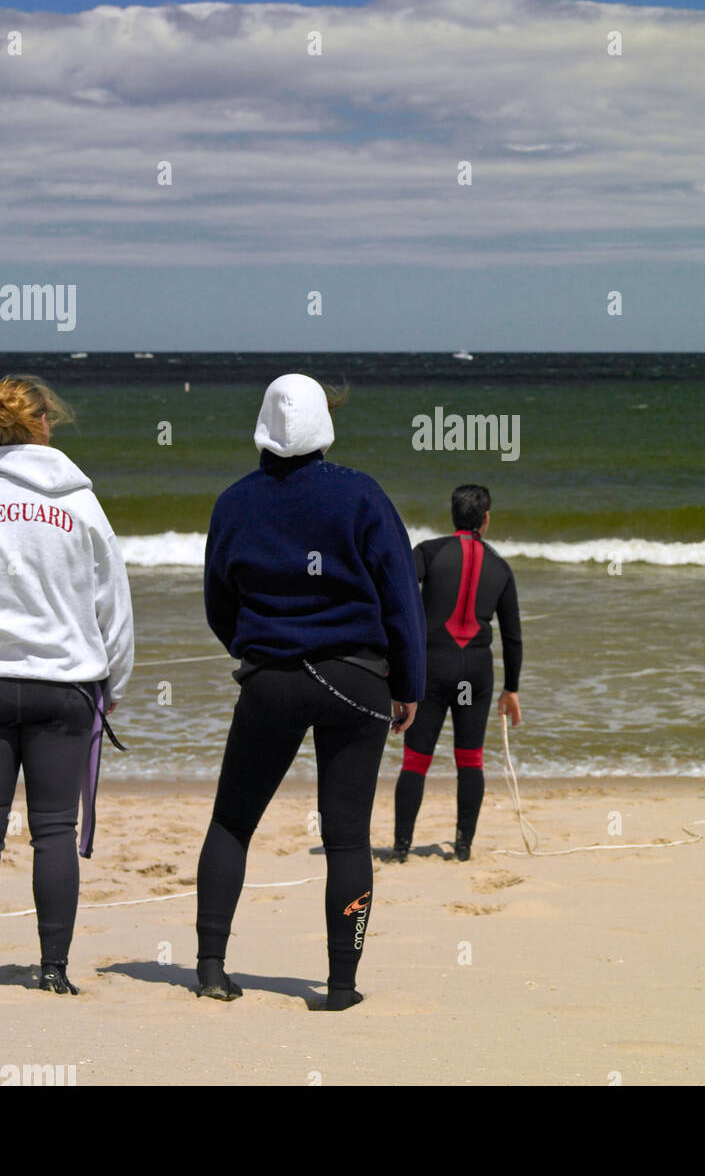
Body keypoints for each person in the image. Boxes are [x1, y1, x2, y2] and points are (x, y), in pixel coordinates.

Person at [196, 375, 425, 1010]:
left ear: (263, 427)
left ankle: (211, 968)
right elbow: (401, 597)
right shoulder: (362, 495)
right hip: (357, 681)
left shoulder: (234, 503)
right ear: (325, 426)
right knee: (348, 836)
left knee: (233, 822)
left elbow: (219, 604)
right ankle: (342, 985)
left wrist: (255, 651)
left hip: (271, 680)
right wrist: (409, 684)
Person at [0, 376, 133, 996]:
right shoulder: (82, 505)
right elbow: (112, 608)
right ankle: (53, 969)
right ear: (45, 422)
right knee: (54, 832)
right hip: (63, 689)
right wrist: (113, 680)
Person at [392, 484, 522, 863]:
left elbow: (398, 590)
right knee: (470, 758)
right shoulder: (500, 568)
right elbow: (513, 636)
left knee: (416, 760)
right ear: (486, 518)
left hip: (432, 669)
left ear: (453, 516)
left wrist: (396, 655)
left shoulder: (429, 553)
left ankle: (400, 848)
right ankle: (463, 848)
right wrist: (511, 689)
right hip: (474, 676)